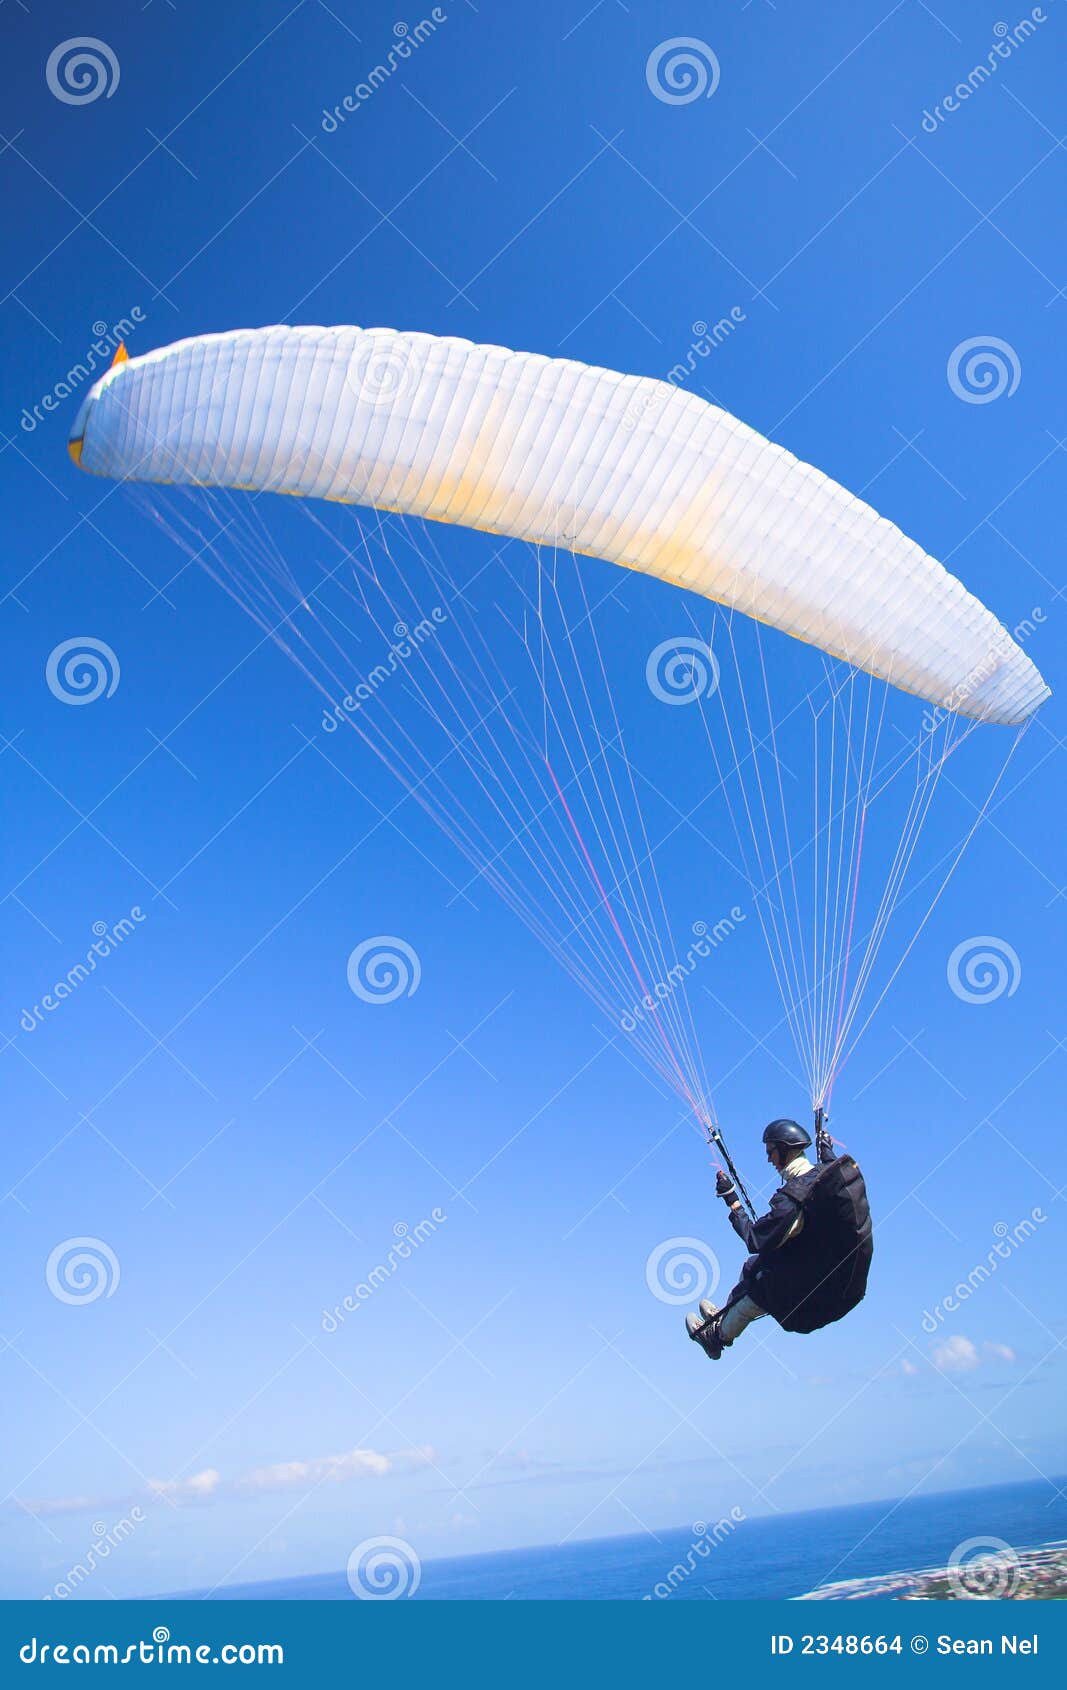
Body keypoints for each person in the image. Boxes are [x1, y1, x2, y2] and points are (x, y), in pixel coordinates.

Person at [686, 1118, 872, 1360]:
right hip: (845, 1282)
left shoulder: (793, 1200)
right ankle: (725, 1314)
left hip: (824, 1296)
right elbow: (828, 1161)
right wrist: (825, 1145)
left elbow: (755, 1239)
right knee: (755, 1266)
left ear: (784, 1149)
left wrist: (732, 1202)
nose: (768, 1159)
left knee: (760, 1289)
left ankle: (716, 1337)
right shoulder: (826, 1177)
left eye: (771, 1152)